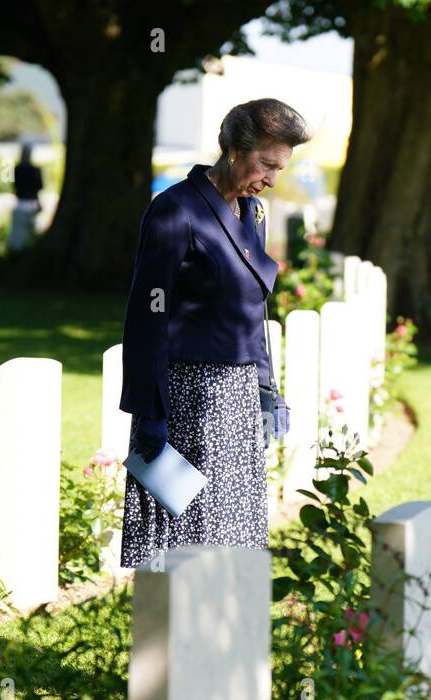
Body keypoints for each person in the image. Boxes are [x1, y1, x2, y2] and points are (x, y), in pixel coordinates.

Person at [118, 98, 310, 570]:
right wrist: (151, 414)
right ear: (231, 149)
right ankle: (177, 641)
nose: (270, 178)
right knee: (188, 546)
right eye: (266, 163)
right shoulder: (175, 211)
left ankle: (225, 640)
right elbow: (147, 318)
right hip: (186, 399)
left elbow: (252, 309)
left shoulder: (254, 215)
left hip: (238, 397)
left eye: (279, 168)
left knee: (234, 541)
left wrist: (266, 387)